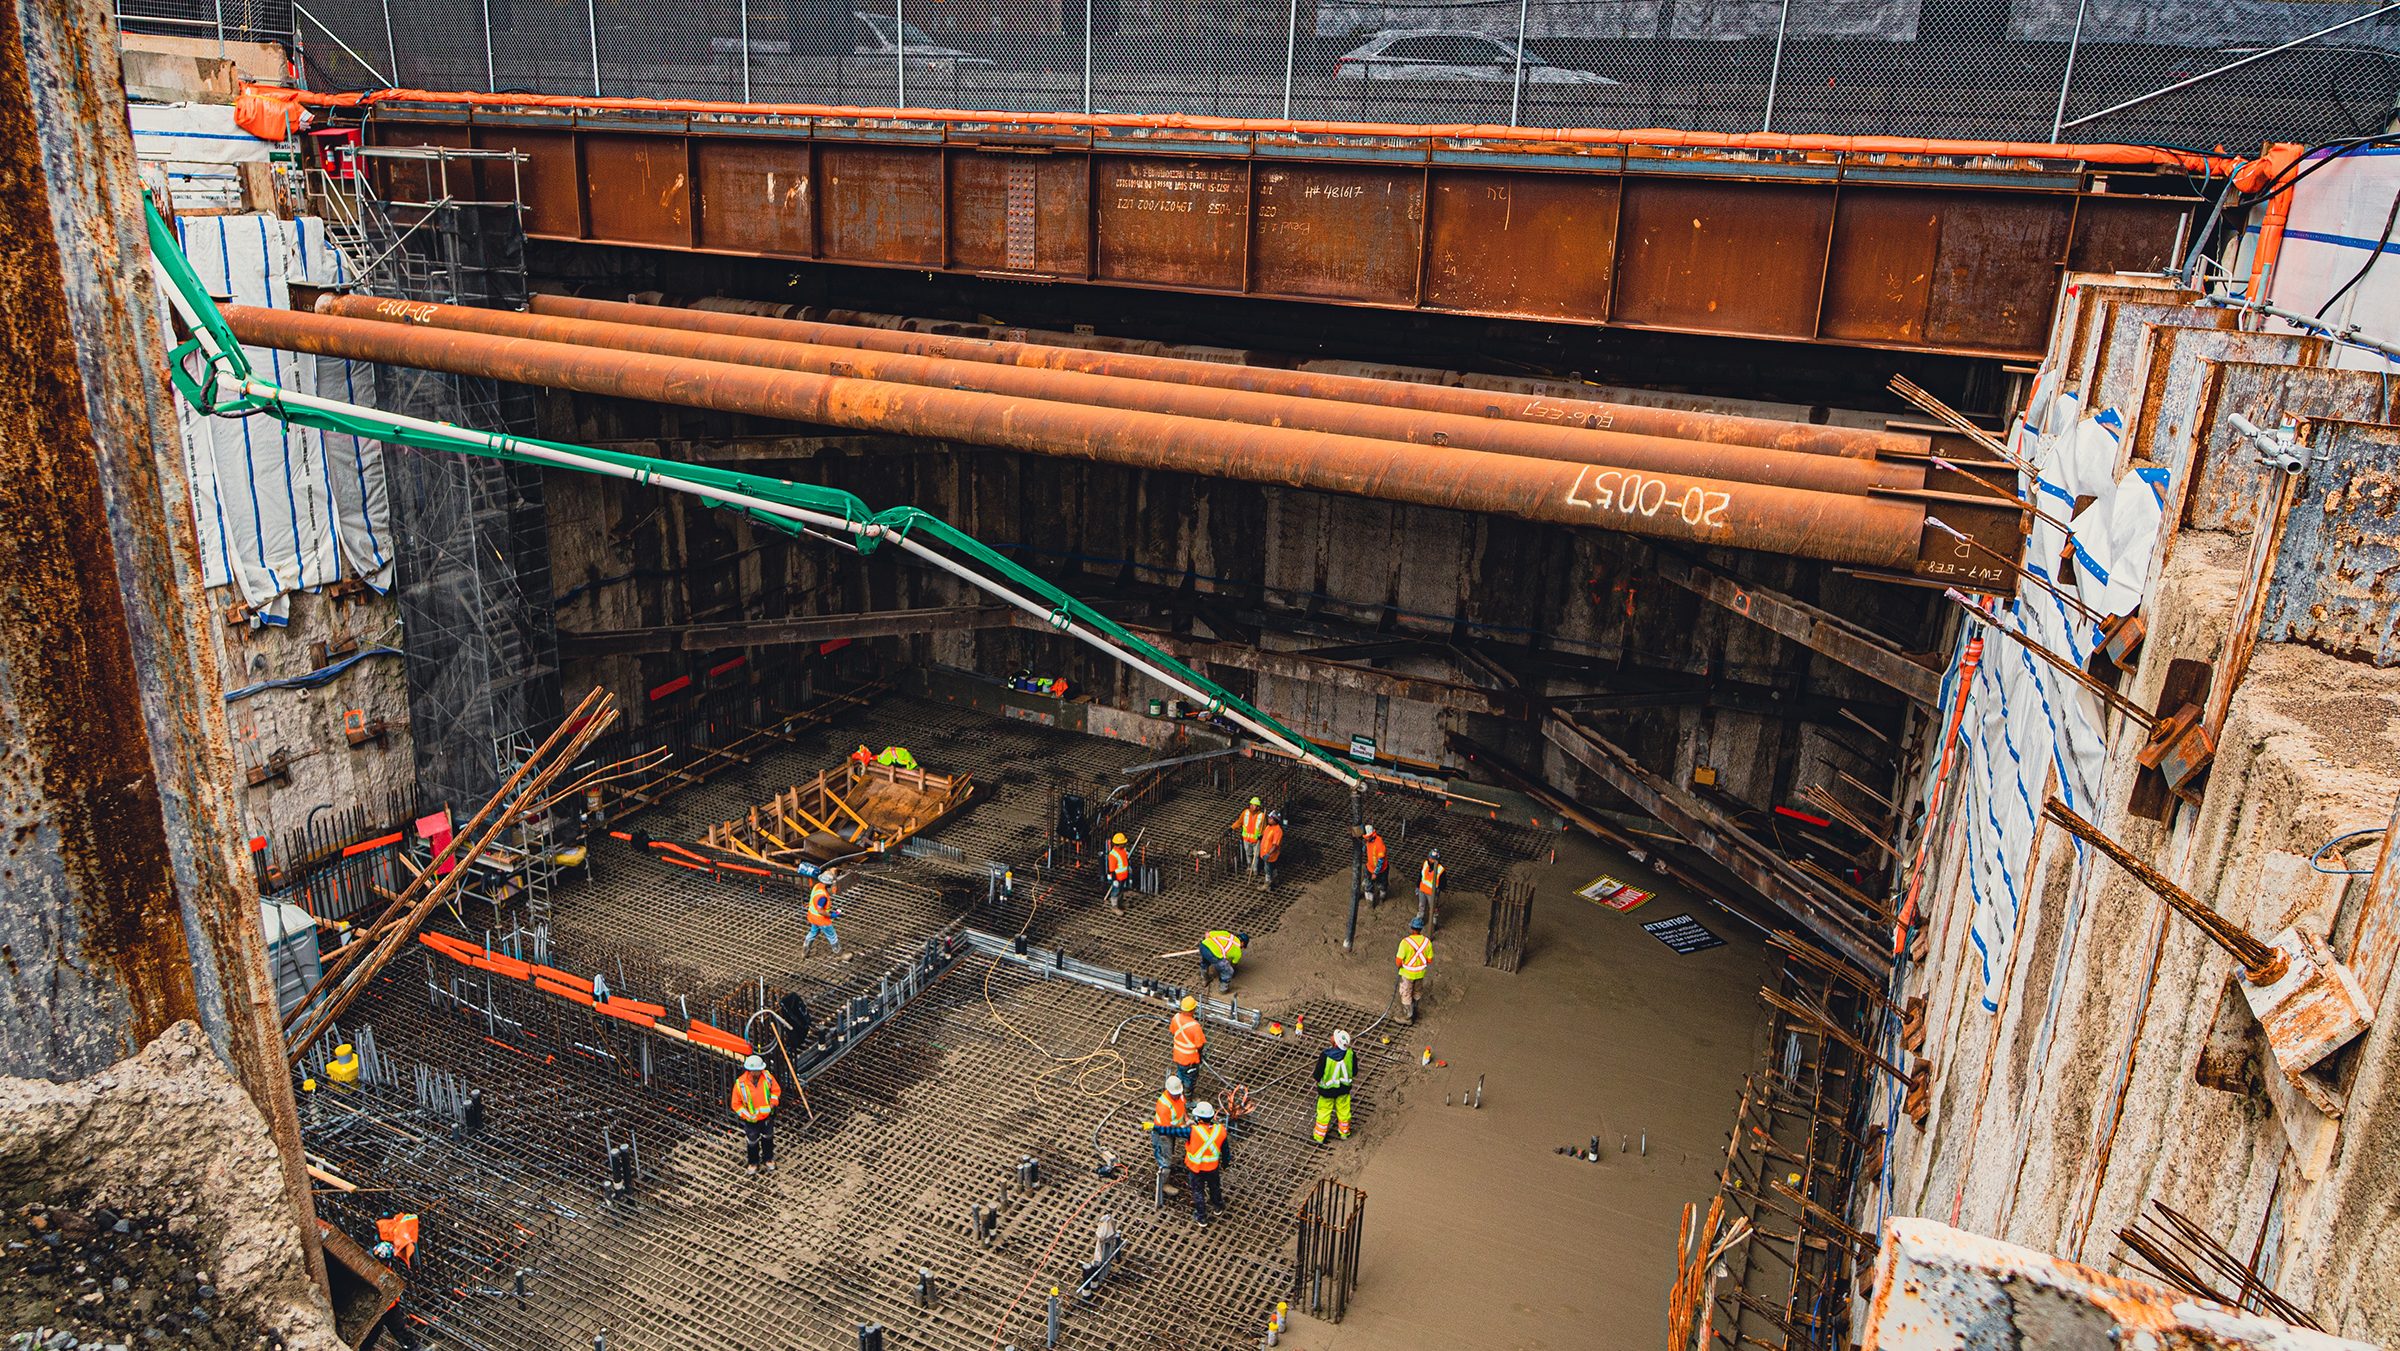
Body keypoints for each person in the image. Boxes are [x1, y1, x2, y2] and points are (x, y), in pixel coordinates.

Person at [731, 1053, 782, 1175]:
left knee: (768, 1138)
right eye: (754, 1071)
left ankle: (768, 1159)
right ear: (749, 1070)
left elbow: (776, 1090)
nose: (757, 1073)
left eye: (758, 1070)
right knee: (752, 1142)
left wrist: (773, 1103)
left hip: (767, 1116)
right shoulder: (741, 1084)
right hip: (752, 1120)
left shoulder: (767, 1077)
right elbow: (736, 1104)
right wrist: (746, 1115)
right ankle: (753, 1163)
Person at [1185, 1101, 1228, 1227]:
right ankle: (1218, 1207)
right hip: (1212, 1168)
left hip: (1196, 1169)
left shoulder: (1192, 1131)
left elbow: (1174, 1132)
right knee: (1214, 1187)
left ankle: (1202, 1217)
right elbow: (1226, 1150)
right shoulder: (1220, 1130)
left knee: (1198, 1192)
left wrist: (1154, 1127)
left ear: (1198, 1118)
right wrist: (1225, 1163)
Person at [1314, 1029, 1356, 1145]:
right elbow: (1355, 1071)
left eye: (1334, 1036)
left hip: (1326, 1091)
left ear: (1336, 1043)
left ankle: (1319, 1137)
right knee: (1344, 1111)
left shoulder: (1325, 1055)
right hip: (1343, 1090)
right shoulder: (1351, 1053)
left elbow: (1317, 1074)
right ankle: (1344, 1133)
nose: (1332, 1036)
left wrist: (1319, 1081)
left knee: (1323, 1112)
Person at [1150, 1072, 1190, 1191]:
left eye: (1178, 1093)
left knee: (1170, 1151)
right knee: (1165, 1160)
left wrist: (1187, 1119)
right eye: (1175, 1094)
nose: (1177, 1096)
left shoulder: (1180, 1095)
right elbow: (1167, 1129)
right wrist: (1183, 1130)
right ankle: (1163, 1184)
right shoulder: (1163, 1105)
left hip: (1173, 1130)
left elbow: (1182, 1109)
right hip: (1163, 1133)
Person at [1396, 916, 1432, 1025]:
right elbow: (1429, 960)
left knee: (1406, 993)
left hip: (1407, 973)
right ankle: (1415, 1011)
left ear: (1412, 928)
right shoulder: (1427, 942)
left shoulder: (1405, 942)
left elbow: (1398, 961)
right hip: (1420, 973)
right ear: (1421, 928)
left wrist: (1401, 967)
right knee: (1417, 991)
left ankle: (1407, 1017)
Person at [1169, 995, 1206, 1094]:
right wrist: (1201, 1055)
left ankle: (1177, 1089)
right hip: (1190, 1060)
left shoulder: (1176, 1018)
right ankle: (1188, 1100)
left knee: (1181, 1073)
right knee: (1190, 1079)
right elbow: (1199, 1045)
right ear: (1193, 1010)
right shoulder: (1195, 1026)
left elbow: (1172, 1031)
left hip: (1177, 1056)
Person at [803, 868, 843, 958]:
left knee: (813, 933)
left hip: (812, 917)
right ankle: (840, 954)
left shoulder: (817, 886)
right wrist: (832, 915)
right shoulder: (822, 896)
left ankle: (805, 951)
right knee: (832, 935)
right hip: (821, 919)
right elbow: (820, 910)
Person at [1235, 797, 1267, 874]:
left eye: (1254, 805)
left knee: (1256, 855)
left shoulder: (1262, 816)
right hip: (1246, 839)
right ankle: (1249, 866)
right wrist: (1232, 827)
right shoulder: (1245, 813)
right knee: (1248, 853)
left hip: (1256, 840)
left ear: (1258, 807)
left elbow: (1264, 828)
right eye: (1251, 805)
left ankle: (1255, 869)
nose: (1252, 806)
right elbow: (1239, 822)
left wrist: (1261, 835)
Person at [1416, 849, 1445, 931]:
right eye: (1429, 858)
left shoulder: (1441, 870)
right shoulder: (1425, 864)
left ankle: (1434, 924)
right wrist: (1418, 886)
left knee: (1434, 909)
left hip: (1432, 893)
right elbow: (1420, 875)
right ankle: (1419, 920)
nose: (1430, 860)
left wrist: (1438, 890)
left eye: (1432, 859)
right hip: (1422, 890)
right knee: (1421, 906)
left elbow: (1443, 884)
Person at [1106, 832, 1133, 912]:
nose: (1125, 844)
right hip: (1116, 878)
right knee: (1115, 892)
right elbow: (1111, 869)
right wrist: (1114, 880)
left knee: (1121, 890)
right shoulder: (1113, 855)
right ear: (1119, 844)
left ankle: (1120, 903)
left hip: (1123, 876)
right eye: (1123, 843)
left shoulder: (1123, 850)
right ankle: (1114, 906)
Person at [1258, 812, 1285, 891]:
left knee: (1268, 869)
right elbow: (1265, 836)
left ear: (1275, 820)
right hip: (1264, 853)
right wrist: (1261, 837)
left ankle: (1267, 883)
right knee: (1272, 867)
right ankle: (1276, 880)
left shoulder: (1278, 831)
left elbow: (1275, 845)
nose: (1268, 819)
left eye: (1270, 818)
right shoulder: (1268, 827)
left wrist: (1268, 854)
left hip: (1270, 855)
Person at [1362, 825, 1388, 905]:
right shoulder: (1368, 841)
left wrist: (1376, 872)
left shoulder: (1379, 844)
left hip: (1381, 870)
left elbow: (1381, 861)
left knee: (1382, 885)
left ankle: (1382, 898)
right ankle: (1370, 903)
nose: (1366, 838)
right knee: (1368, 885)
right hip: (1370, 867)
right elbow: (1366, 847)